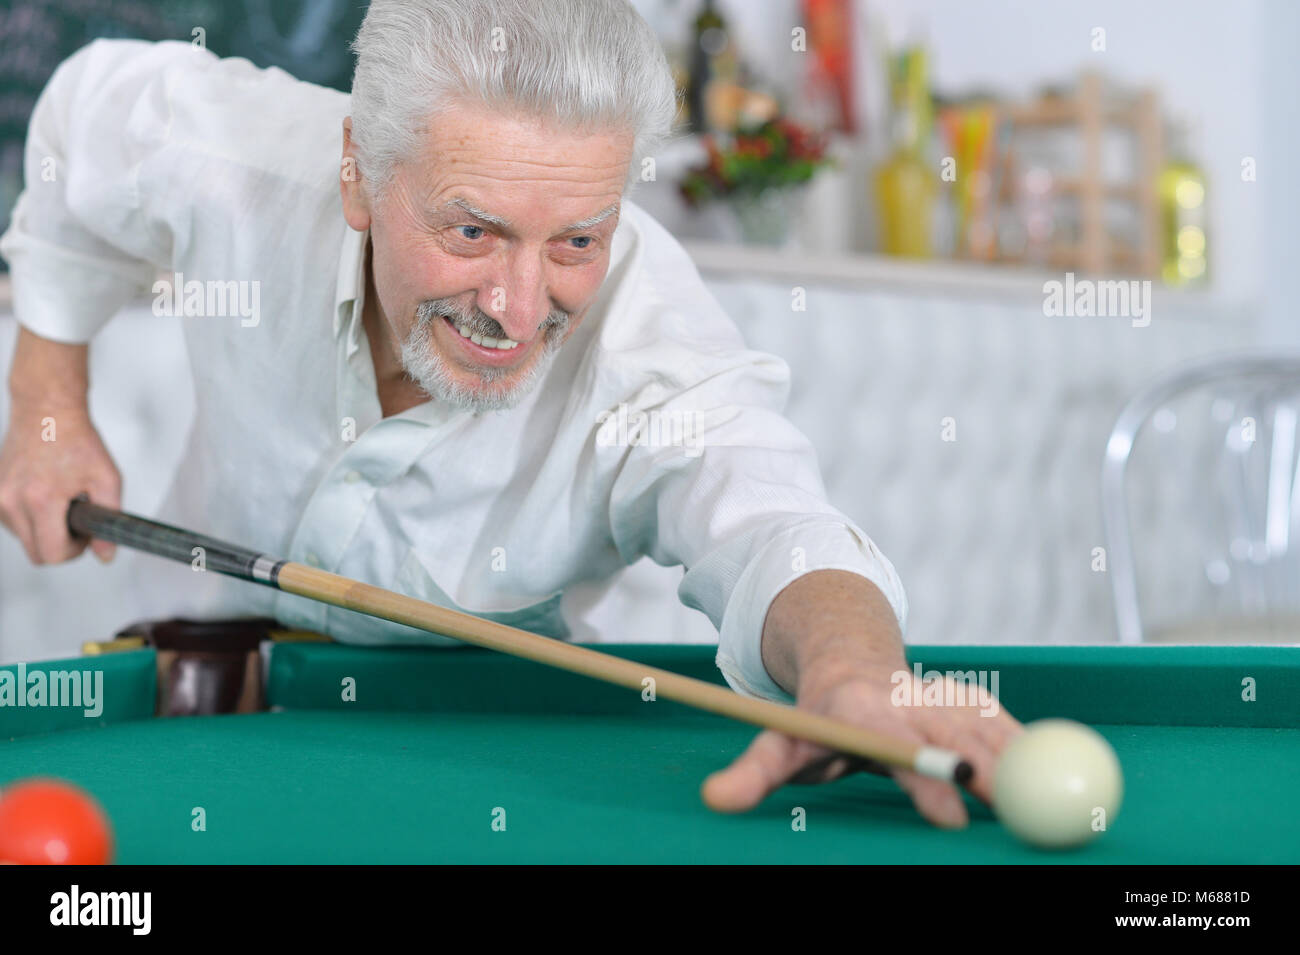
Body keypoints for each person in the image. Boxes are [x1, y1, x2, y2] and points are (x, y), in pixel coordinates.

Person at [0, 0, 1018, 826]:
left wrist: (848, 671)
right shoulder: (237, 156)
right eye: (474, 228)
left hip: (501, 757)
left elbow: (770, 523)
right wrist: (47, 405)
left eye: (577, 241)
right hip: (195, 690)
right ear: (359, 170)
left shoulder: (648, 342)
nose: (518, 310)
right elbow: (81, 121)